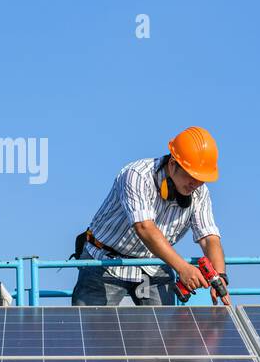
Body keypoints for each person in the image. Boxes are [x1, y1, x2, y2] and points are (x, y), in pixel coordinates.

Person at [72, 126, 228, 306]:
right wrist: (183, 268)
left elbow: (209, 238)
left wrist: (219, 276)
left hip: (153, 266)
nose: (196, 183)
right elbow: (144, 227)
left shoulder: (200, 192)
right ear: (172, 164)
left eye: (202, 178)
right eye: (191, 175)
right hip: (104, 262)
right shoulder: (137, 175)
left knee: (161, 332)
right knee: (91, 329)